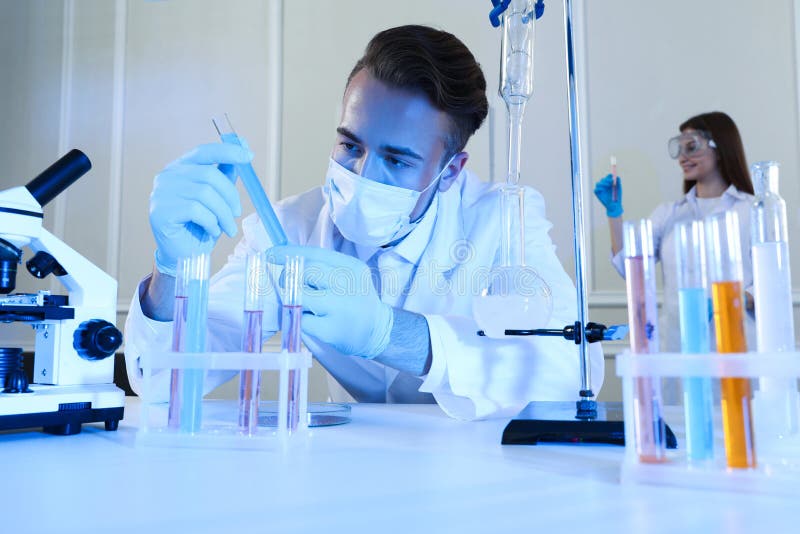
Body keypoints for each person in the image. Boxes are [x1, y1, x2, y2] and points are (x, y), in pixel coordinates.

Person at [125, 24, 604, 421]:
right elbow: (164, 380)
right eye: (351, 146)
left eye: (396, 160)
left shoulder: (501, 221)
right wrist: (170, 270)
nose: (360, 175)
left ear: (450, 171)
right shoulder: (289, 229)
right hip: (351, 468)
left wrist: (389, 333)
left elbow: (573, 368)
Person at [593, 111, 756, 352]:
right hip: (680, 345)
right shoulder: (668, 214)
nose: (682, 157)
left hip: (738, 343)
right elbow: (630, 267)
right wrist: (614, 214)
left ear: (720, 148)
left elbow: (770, 283)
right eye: (678, 148)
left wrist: (731, 300)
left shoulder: (752, 210)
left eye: (691, 147)